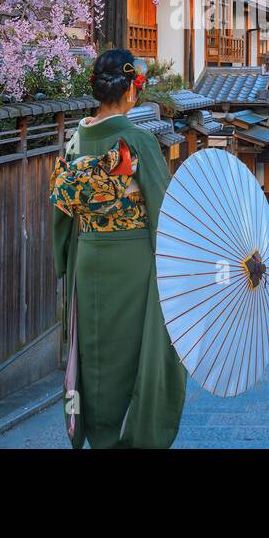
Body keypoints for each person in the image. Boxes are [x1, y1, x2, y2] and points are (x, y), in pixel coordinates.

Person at [50, 49, 186, 448]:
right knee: (136, 352)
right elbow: (165, 210)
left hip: (88, 253)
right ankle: (136, 437)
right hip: (135, 261)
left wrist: (65, 260)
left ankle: (101, 435)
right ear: (130, 90)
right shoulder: (139, 140)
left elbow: (61, 216)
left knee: (94, 353)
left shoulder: (75, 142)